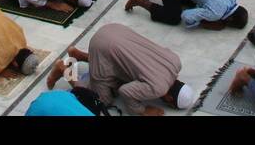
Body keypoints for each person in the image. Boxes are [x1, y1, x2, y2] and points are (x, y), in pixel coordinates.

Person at [51, 23, 194, 115]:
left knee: (121, 66)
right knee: (101, 100)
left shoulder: (175, 62)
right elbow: (125, 92)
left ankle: (78, 54)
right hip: (102, 47)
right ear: (169, 98)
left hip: (115, 30)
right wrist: (142, 111)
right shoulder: (159, 88)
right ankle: (63, 69)